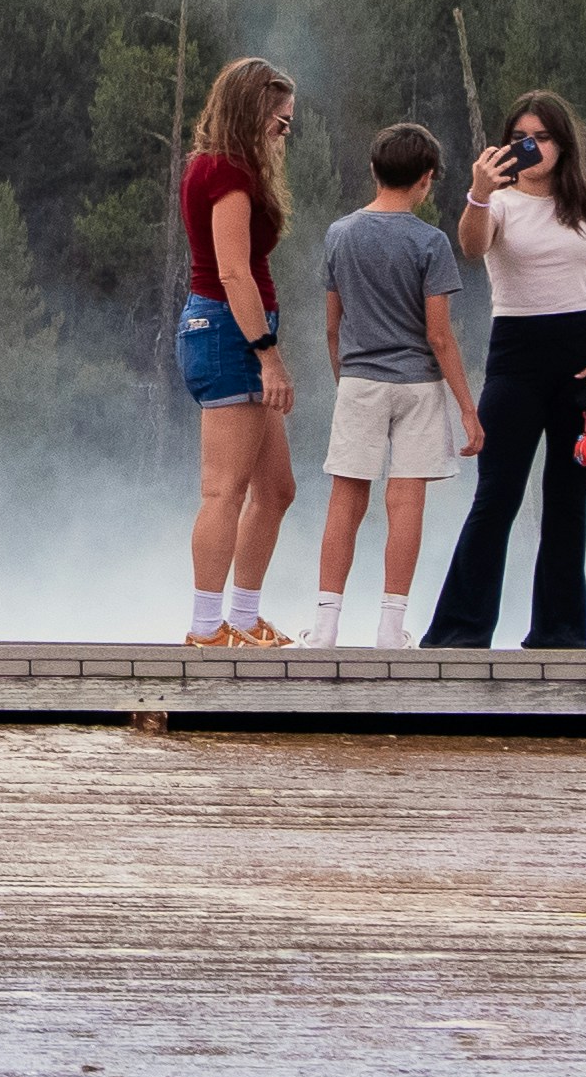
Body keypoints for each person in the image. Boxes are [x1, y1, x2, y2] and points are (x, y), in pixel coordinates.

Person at [422, 93, 586, 650]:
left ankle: (559, 633)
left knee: (566, 498)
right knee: (498, 495)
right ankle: (461, 630)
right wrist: (478, 194)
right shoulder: (499, 203)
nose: (534, 147)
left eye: (545, 136)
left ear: (564, 143)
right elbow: (470, 245)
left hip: (581, 353)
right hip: (516, 353)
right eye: (523, 137)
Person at [170, 55, 306, 648]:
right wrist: (268, 355)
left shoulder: (222, 166)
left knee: (275, 489)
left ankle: (244, 619)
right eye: (279, 121)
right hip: (230, 332)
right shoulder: (226, 171)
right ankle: (206, 629)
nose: (284, 132)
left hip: (234, 330)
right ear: (251, 113)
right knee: (224, 488)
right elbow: (232, 271)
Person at [307, 122, 466, 627]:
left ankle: (327, 624)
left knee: (346, 497)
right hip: (419, 384)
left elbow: (333, 325)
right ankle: (391, 627)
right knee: (406, 501)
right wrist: (467, 406)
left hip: (360, 380)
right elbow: (439, 336)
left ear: (373, 170)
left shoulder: (340, 234)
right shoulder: (431, 242)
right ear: (427, 178)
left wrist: (345, 378)